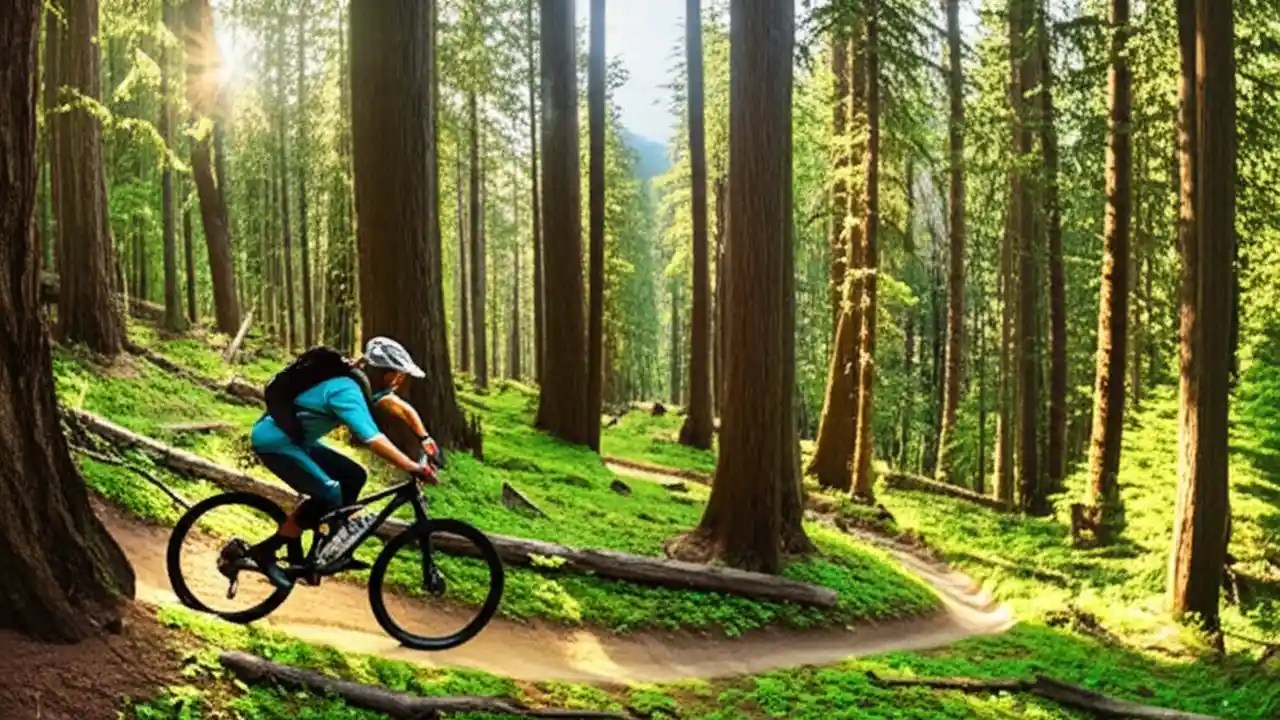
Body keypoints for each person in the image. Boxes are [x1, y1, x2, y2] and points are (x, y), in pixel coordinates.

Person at [249, 336, 441, 589]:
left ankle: (325, 551)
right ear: (387, 374)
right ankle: (265, 552)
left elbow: (399, 406)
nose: (399, 382)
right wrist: (412, 467)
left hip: (297, 442)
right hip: (275, 443)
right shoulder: (345, 391)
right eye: (399, 375)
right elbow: (373, 439)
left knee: (353, 476)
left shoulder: (362, 383)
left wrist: (424, 437)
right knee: (330, 491)